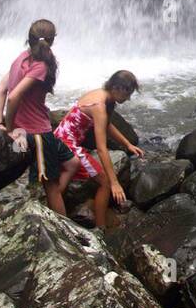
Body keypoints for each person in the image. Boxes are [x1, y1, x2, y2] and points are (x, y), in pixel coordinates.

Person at [0, 18, 79, 216]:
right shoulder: (41, 66)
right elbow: (13, 97)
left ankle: (37, 204)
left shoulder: (21, 58)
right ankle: (63, 234)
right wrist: (11, 127)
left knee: (72, 163)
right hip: (37, 133)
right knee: (52, 188)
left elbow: (0, 90)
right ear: (52, 40)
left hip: (32, 132)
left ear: (29, 38)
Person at [54, 70, 144, 228]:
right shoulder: (99, 106)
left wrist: (127, 144)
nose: (129, 98)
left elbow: (107, 125)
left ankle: (51, 207)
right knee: (105, 183)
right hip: (67, 145)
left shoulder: (101, 94)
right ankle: (100, 229)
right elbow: (101, 148)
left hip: (59, 139)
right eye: (127, 93)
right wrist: (115, 182)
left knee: (64, 181)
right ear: (117, 88)